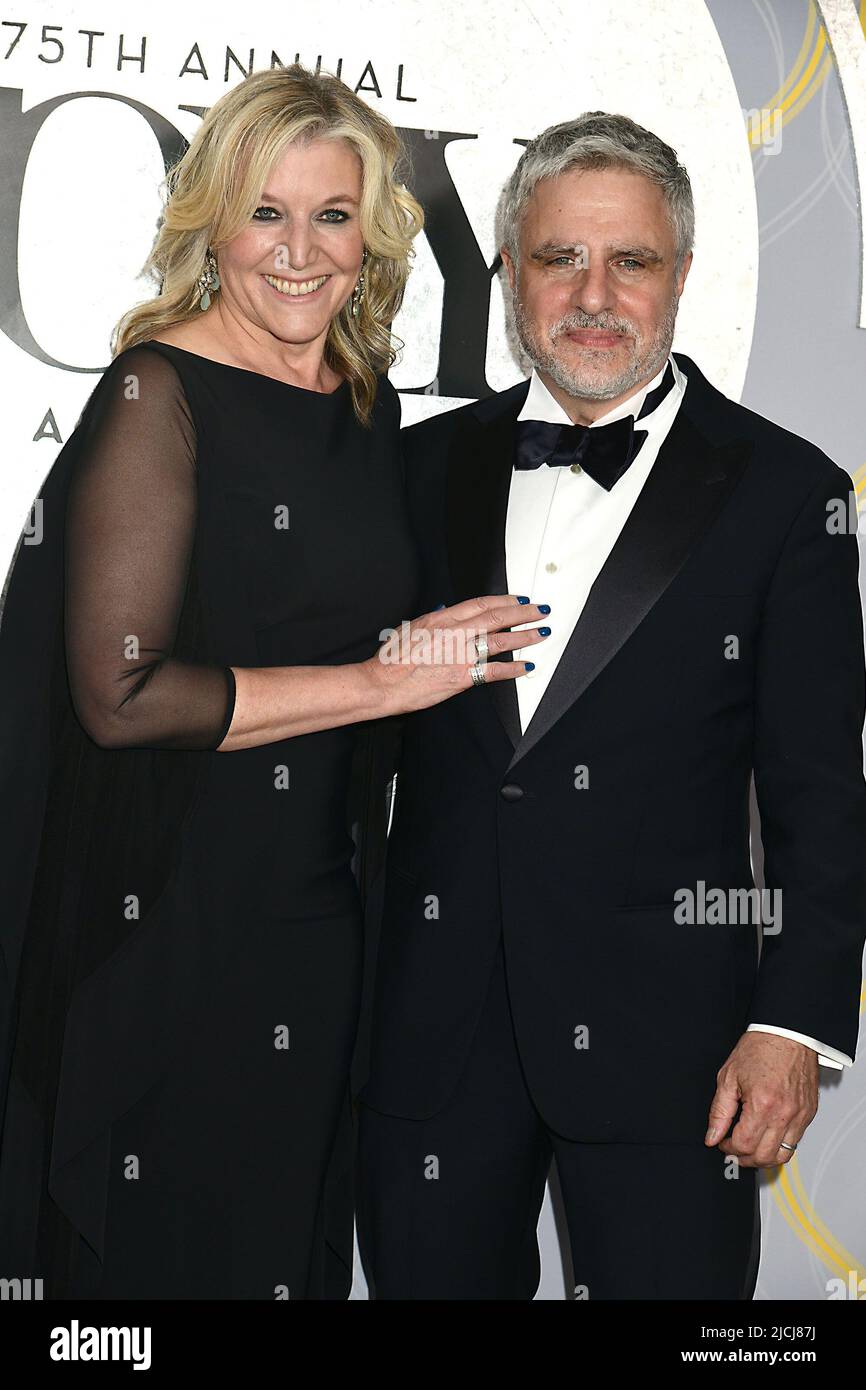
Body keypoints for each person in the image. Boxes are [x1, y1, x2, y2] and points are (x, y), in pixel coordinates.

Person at [0, 63, 549, 1300]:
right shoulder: (158, 393)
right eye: (266, 213)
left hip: (316, 927)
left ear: (374, 233)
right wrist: (376, 683)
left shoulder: (362, 404)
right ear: (214, 226)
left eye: (332, 215)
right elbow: (121, 695)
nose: (298, 252)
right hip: (163, 926)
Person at [355, 112, 866, 1300]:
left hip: (676, 1051)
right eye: (557, 259)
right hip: (429, 1032)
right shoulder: (415, 469)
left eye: (629, 261)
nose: (593, 295)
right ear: (507, 273)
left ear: (680, 274)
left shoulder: (786, 494)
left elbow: (818, 797)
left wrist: (791, 1027)